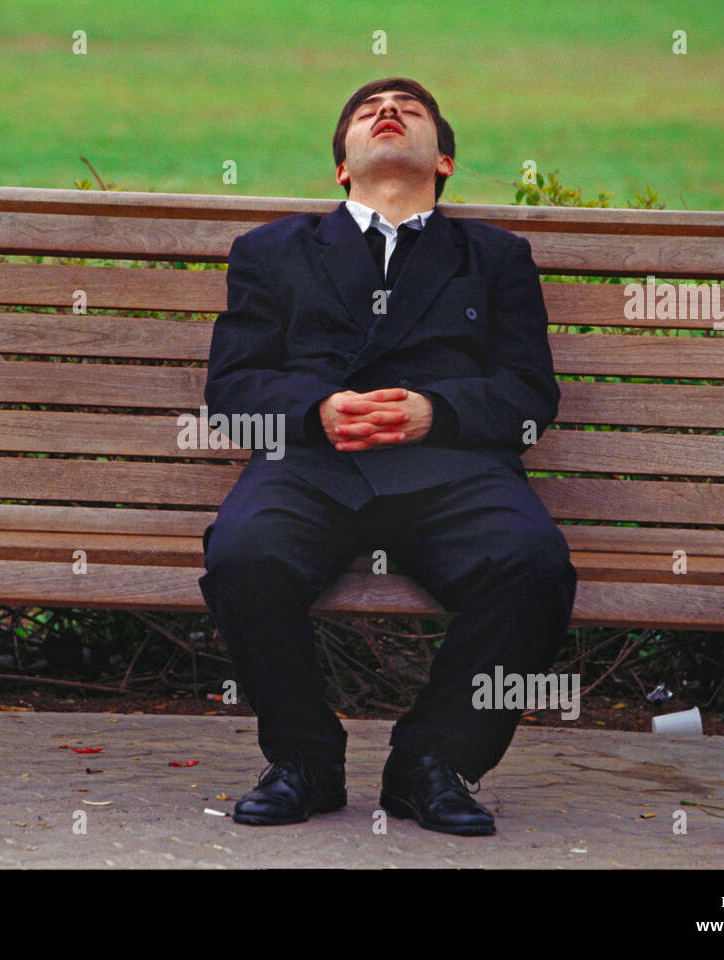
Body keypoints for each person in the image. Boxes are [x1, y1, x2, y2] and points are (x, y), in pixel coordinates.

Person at [197, 77, 578, 836]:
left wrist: (441, 411)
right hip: (310, 466)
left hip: (454, 470)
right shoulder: (271, 252)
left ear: (444, 163)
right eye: (369, 111)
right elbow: (232, 389)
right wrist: (314, 411)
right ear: (343, 166)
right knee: (241, 554)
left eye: (410, 110)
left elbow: (531, 392)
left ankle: (433, 762)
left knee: (534, 563)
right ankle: (304, 761)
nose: (388, 113)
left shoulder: (496, 257)